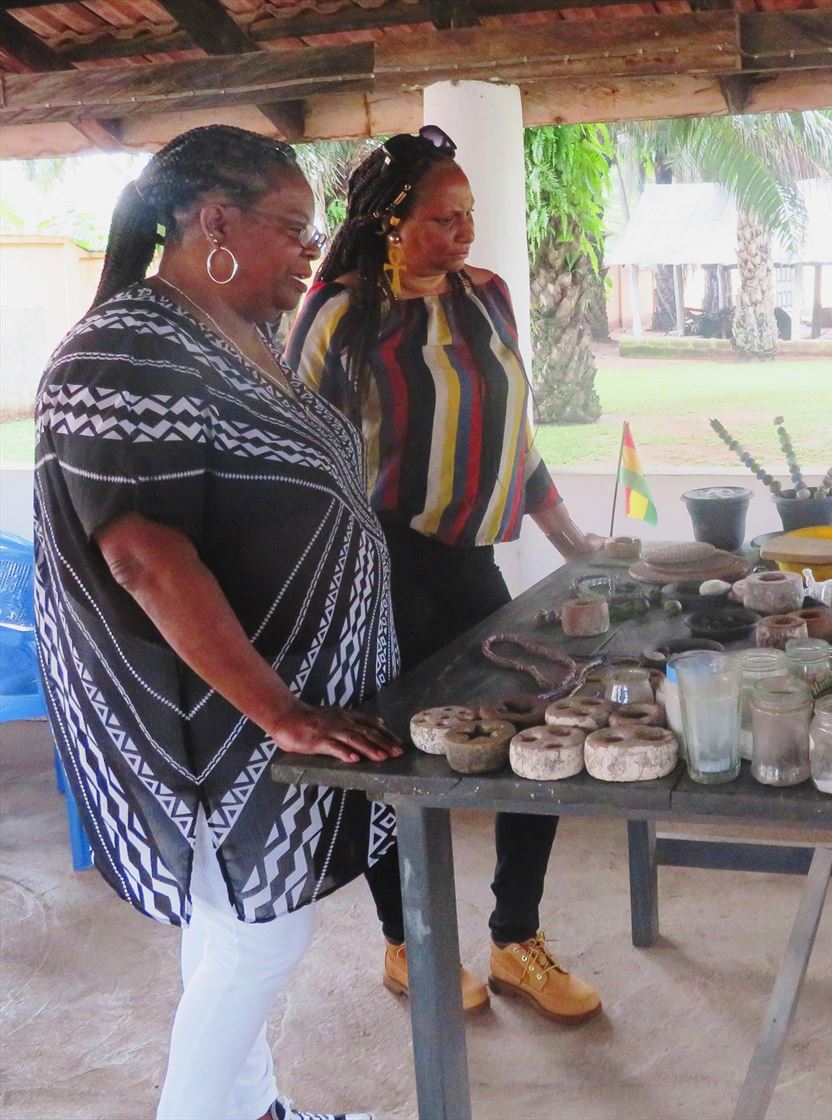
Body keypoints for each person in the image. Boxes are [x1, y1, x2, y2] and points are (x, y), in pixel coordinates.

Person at [35, 125, 402, 1120]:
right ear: (214, 221)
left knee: (227, 919)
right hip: (205, 716)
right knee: (258, 933)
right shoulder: (121, 349)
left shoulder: (238, 340)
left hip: (260, 698)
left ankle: (255, 1110)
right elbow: (141, 552)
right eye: (293, 230)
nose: (307, 254)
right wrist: (279, 709)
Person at [286, 127, 603, 1024]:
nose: (463, 234)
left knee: (534, 738)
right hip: (379, 562)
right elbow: (304, 461)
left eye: (469, 216)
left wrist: (572, 541)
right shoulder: (341, 313)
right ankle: (408, 942)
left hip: (470, 560)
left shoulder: (487, 297)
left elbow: (516, 443)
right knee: (399, 753)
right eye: (442, 219)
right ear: (390, 224)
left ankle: (516, 938)